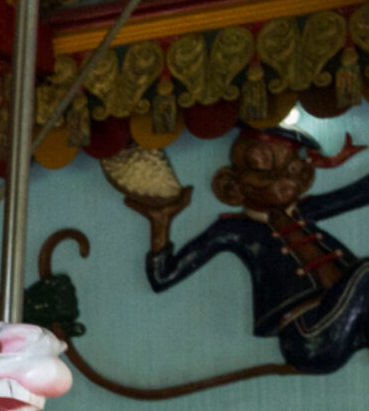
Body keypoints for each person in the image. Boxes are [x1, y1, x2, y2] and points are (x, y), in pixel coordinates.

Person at [131, 124, 369, 375]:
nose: (283, 181)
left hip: (346, 324)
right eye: (264, 173)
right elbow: (163, 276)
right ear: (231, 185)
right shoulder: (237, 229)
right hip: (308, 338)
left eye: (291, 171)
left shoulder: (303, 212)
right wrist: (160, 223)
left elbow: (357, 194)